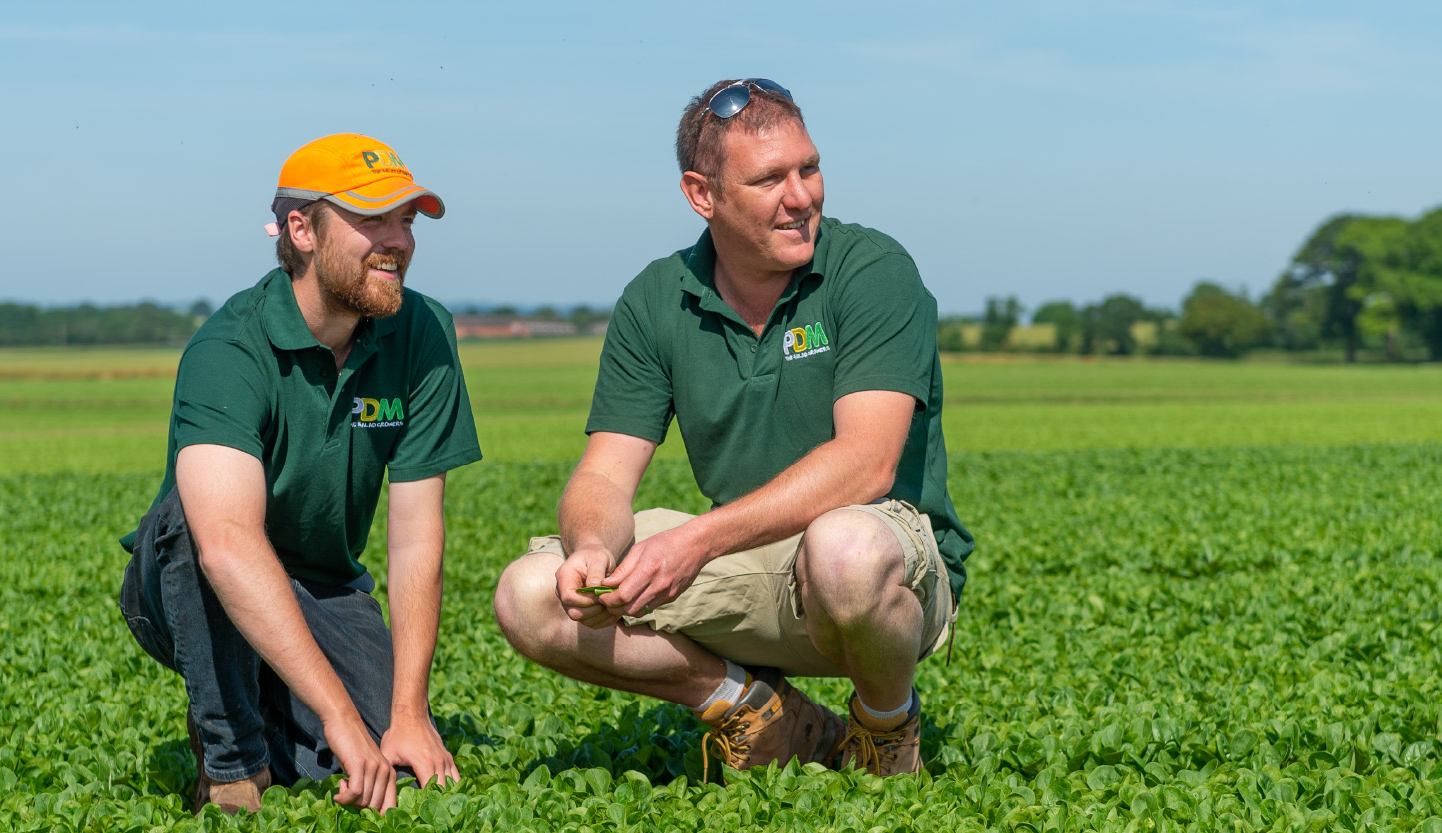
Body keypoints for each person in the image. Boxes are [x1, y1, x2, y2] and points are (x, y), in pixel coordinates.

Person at [493, 79, 972, 778]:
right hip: (755, 562)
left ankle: (885, 728)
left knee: (843, 547)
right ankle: (752, 706)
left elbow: (866, 464)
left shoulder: (870, 270)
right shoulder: (658, 299)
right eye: (770, 178)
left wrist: (696, 540)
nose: (802, 195)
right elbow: (603, 474)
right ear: (702, 193)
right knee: (530, 596)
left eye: (808, 168)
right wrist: (593, 546)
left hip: (883, 573)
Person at [117, 133, 481, 814]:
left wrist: (407, 711)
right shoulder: (230, 347)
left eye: (406, 219)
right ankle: (232, 764)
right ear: (300, 229)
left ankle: (260, 698)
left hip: (323, 588)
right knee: (195, 523)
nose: (398, 240)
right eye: (372, 219)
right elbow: (224, 542)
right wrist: (337, 716)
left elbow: (414, 534)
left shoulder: (422, 331)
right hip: (187, 580)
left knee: (388, 770)